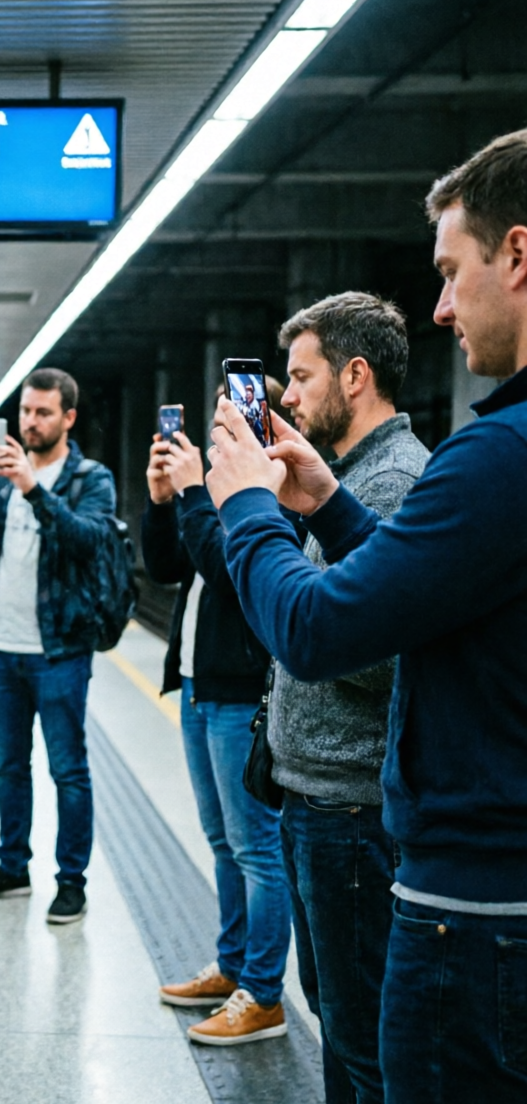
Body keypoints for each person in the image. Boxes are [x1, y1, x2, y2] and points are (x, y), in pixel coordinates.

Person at [206, 129, 527, 1102]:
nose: (436, 305)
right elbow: (425, 592)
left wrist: (243, 506)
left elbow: (319, 630)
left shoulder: (490, 459)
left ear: (515, 255)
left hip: (470, 908)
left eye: (449, 269)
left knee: (367, 1066)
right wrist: (324, 508)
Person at [268, 293, 429, 1102]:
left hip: (353, 812)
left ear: (355, 375)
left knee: (361, 1039)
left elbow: (386, 658)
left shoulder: (395, 482)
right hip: (319, 803)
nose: (285, 397)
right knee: (338, 1017)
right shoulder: (344, 475)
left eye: (300, 377)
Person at [141, 400, 290, 1047]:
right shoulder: (220, 500)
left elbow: (228, 571)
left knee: (257, 848)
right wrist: (160, 501)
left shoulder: (271, 495)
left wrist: (198, 491)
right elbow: (172, 565)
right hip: (200, 687)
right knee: (222, 839)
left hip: (239, 694)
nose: (217, 447)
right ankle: (232, 965)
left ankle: (262, 992)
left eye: (230, 436)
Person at [0, 368, 116, 923]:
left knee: (68, 770)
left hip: (60, 649)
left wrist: (33, 489)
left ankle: (71, 881)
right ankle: (12, 866)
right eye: (25, 412)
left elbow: (88, 541)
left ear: (68, 417)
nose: (30, 422)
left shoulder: (91, 477)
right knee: (9, 766)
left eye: (43, 413)